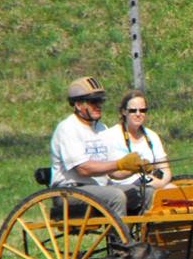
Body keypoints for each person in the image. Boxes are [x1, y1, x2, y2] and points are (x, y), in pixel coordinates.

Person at [49, 76, 151, 216]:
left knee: (148, 192)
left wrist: (135, 168)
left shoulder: (101, 128)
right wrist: (120, 163)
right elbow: (83, 169)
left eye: (100, 101)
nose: (98, 106)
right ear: (78, 105)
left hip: (101, 188)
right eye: (93, 102)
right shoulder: (68, 128)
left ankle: (147, 236)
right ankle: (119, 238)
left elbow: (113, 172)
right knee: (116, 196)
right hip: (71, 192)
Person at [103, 90, 174, 213]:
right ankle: (146, 227)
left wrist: (161, 182)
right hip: (122, 186)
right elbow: (111, 173)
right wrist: (133, 169)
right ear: (124, 112)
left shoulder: (152, 136)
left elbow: (165, 169)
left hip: (151, 183)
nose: (138, 114)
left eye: (142, 110)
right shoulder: (111, 136)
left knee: (172, 190)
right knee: (150, 192)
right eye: (133, 110)